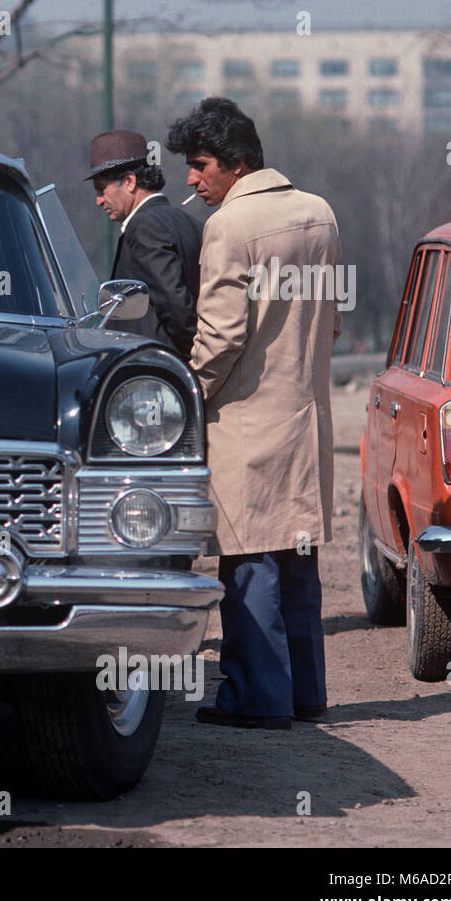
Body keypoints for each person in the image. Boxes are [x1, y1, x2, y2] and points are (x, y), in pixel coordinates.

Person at [165, 97, 342, 729]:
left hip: (246, 420)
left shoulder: (229, 227)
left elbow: (220, 337)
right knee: (298, 560)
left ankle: (256, 698)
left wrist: (184, 399)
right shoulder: (319, 214)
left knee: (248, 561)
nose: (192, 178)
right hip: (308, 417)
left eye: (201, 164)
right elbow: (334, 322)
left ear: (236, 163)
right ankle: (306, 693)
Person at [86, 129, 201, 356]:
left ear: (129, 181)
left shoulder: (143, 226)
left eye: (101, 189)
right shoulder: (191, 223)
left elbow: (174, 302)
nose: (98, 200)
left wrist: (195, 353)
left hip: (154, 369)